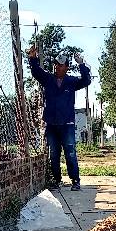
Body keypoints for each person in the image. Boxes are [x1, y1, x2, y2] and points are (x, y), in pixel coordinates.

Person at [27, 47, 91, 190]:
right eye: (56, 64)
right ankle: (56, 181)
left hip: (67, 124)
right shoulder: (48, 79)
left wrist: (81, 65)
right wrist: (32, 58)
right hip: (51, 123)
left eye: (60, 65)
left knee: (70, 153)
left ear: (67, 67)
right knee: (54, 154)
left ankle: (75, 181)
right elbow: (36, 72)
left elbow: (86, 81)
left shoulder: (71, 82)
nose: (57, 67)